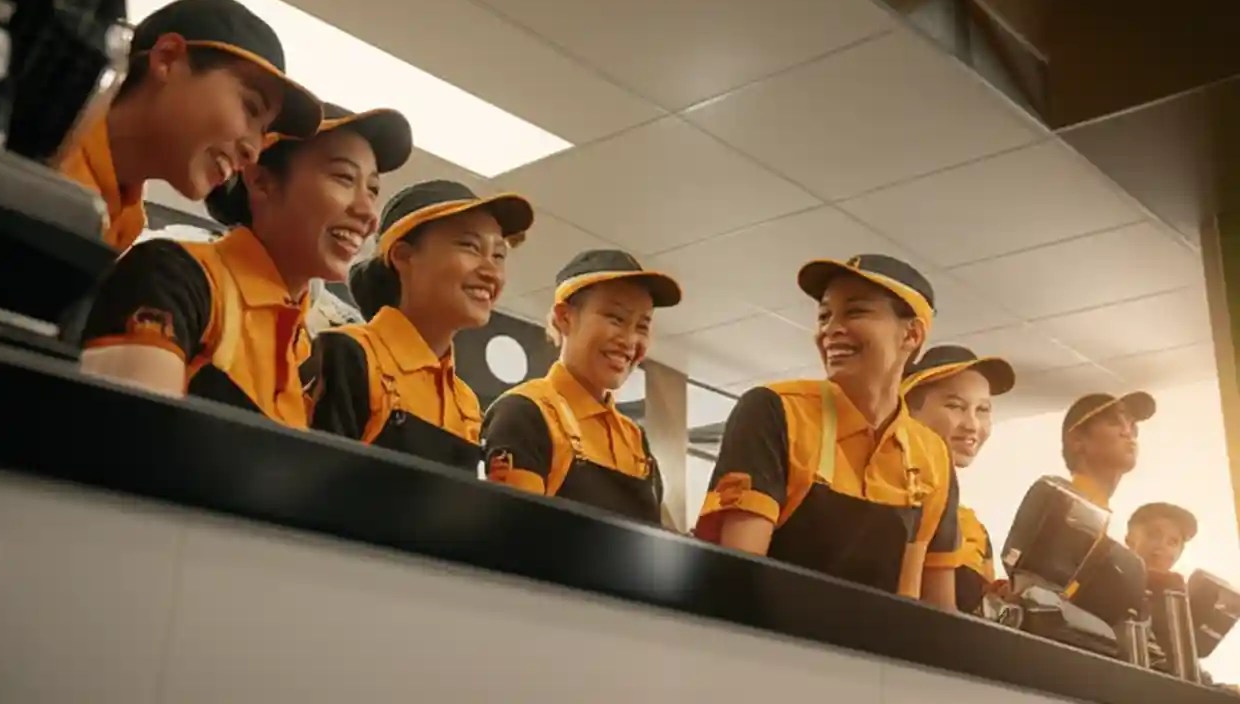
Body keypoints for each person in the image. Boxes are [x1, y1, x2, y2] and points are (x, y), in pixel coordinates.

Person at [78, 103, 412, 428]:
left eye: (372, 190)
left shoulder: (308, 353)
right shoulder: (176, 276)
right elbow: (121, 435)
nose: (368, 213)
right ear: (261, 182)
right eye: (343, 177)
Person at [695, 254, 961, 608]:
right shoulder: (775, 410)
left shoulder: (933, 456)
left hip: (870, 658)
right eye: (824, 316)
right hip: (764, 649)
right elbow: (738, 580)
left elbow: (930, 613)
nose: (830, 329)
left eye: (855, 312)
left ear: (911, 334)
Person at [58, 0, 323, 253]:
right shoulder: (38, 143)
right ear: (167, 58)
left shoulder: (125, 221)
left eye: (264, 131)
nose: (253, 152)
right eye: (251, 108)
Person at [308, 180, 533, 471]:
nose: (491, 271)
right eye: (469, 246)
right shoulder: (348, 355)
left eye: (498, 256)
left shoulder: (464, 401)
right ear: (403, 256)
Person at [480, 250, 682, 524]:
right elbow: (511, 537)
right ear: (565, 318)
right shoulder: (526, 412)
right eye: (616, 319)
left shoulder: (634, 439)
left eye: (642, 326)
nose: (629, 339)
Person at [902, 345, 1016, 614]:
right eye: (955, 406)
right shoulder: (889, 496)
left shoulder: (974, 528)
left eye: (983, 410)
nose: (972, 425)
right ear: (908, 411)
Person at [1061, 392, 1156, 508]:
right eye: (1113, 422)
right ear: (1077, 441)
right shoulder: (1060, 508)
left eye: (1132, 424)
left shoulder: (1091, 509)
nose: (1127, 432)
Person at [1125, 502, 1197, 574]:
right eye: (1153, 535)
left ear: (1180, 552)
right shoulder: (1114, 576)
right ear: (1130, 539)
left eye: (1173, 542)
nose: (1162, 545)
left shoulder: (1176, 584)